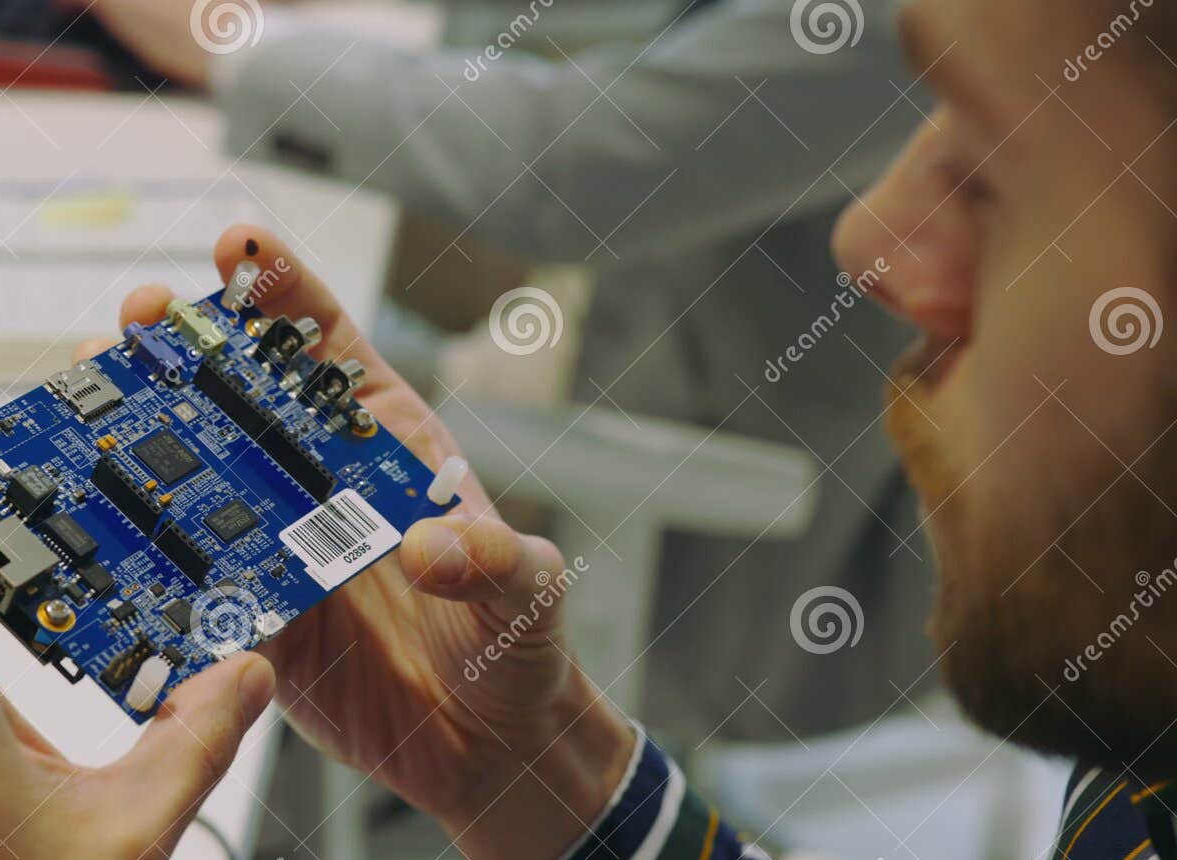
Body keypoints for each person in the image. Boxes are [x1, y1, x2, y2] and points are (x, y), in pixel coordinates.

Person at [0, 0, 1177, 860]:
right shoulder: (1142, 779)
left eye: (986, 160)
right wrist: (550, 776)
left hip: (758, 569)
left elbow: (573, 154)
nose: (877, 238)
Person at [92, 0, 936, 743]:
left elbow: (570, 165)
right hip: (622, 338)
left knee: (179, 462)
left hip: (708, 545)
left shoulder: (904, 22)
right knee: (190, 354)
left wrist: (228, 41)